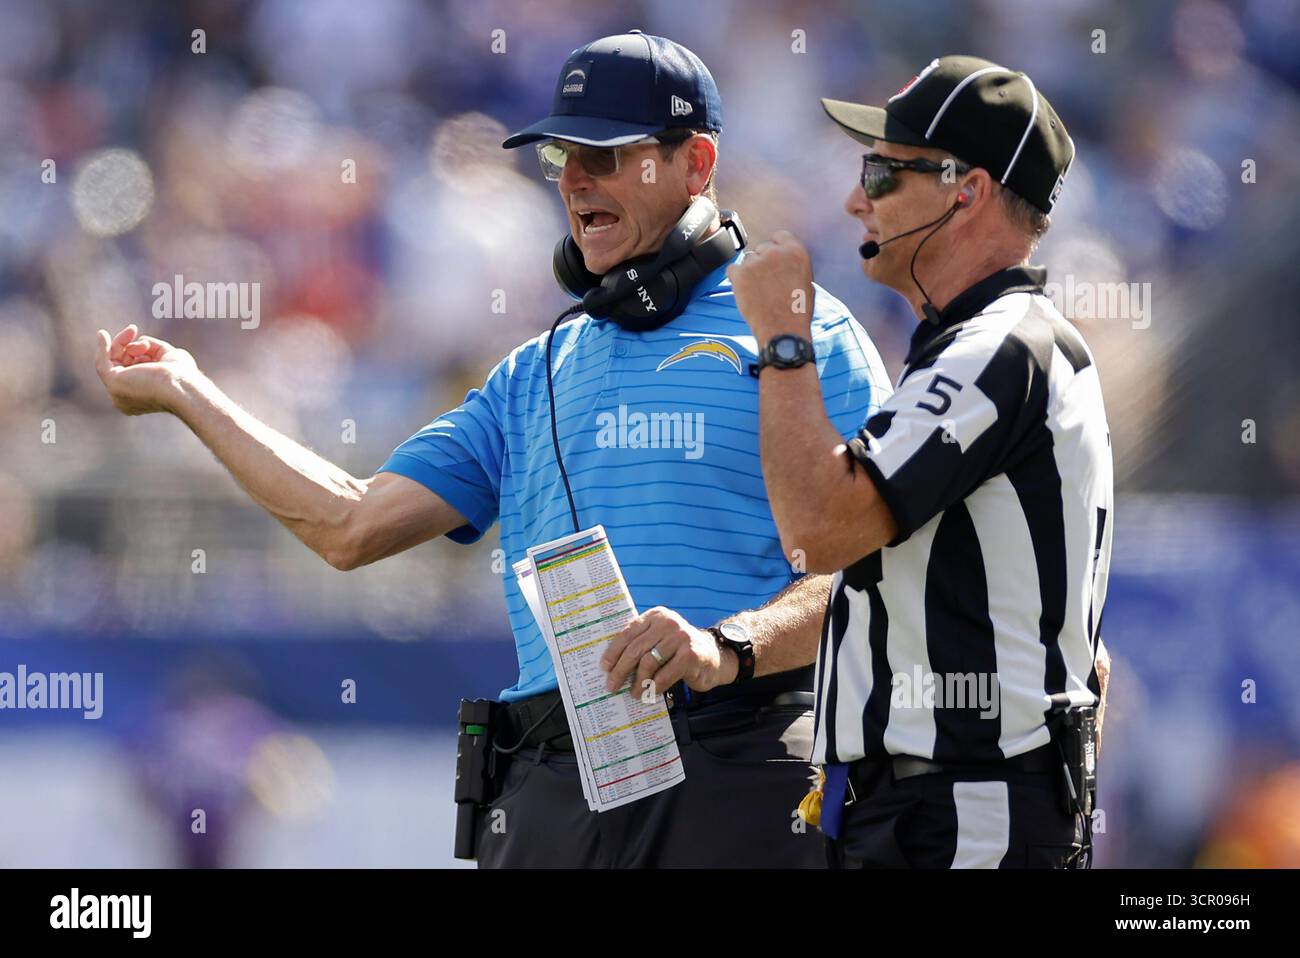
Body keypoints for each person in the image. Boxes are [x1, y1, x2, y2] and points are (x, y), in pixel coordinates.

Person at [93, 32, 893, 868]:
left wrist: (724, 647)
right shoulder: (533, 372)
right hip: (548, 791)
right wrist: (188, 392)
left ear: (695, 164)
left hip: (739, 773)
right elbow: (350, 524)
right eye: (562, 156)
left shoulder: (803, 334)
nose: (574, 179)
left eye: (607, 156)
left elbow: (873, 571)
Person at [727, 55, 1113, 868]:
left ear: (966, 191)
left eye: (883, 171)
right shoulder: (994, 346)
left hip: (962, 812)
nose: (854, 198)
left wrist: (784, 339)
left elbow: (817, 531)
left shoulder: (1000, 346)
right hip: (939, 806)